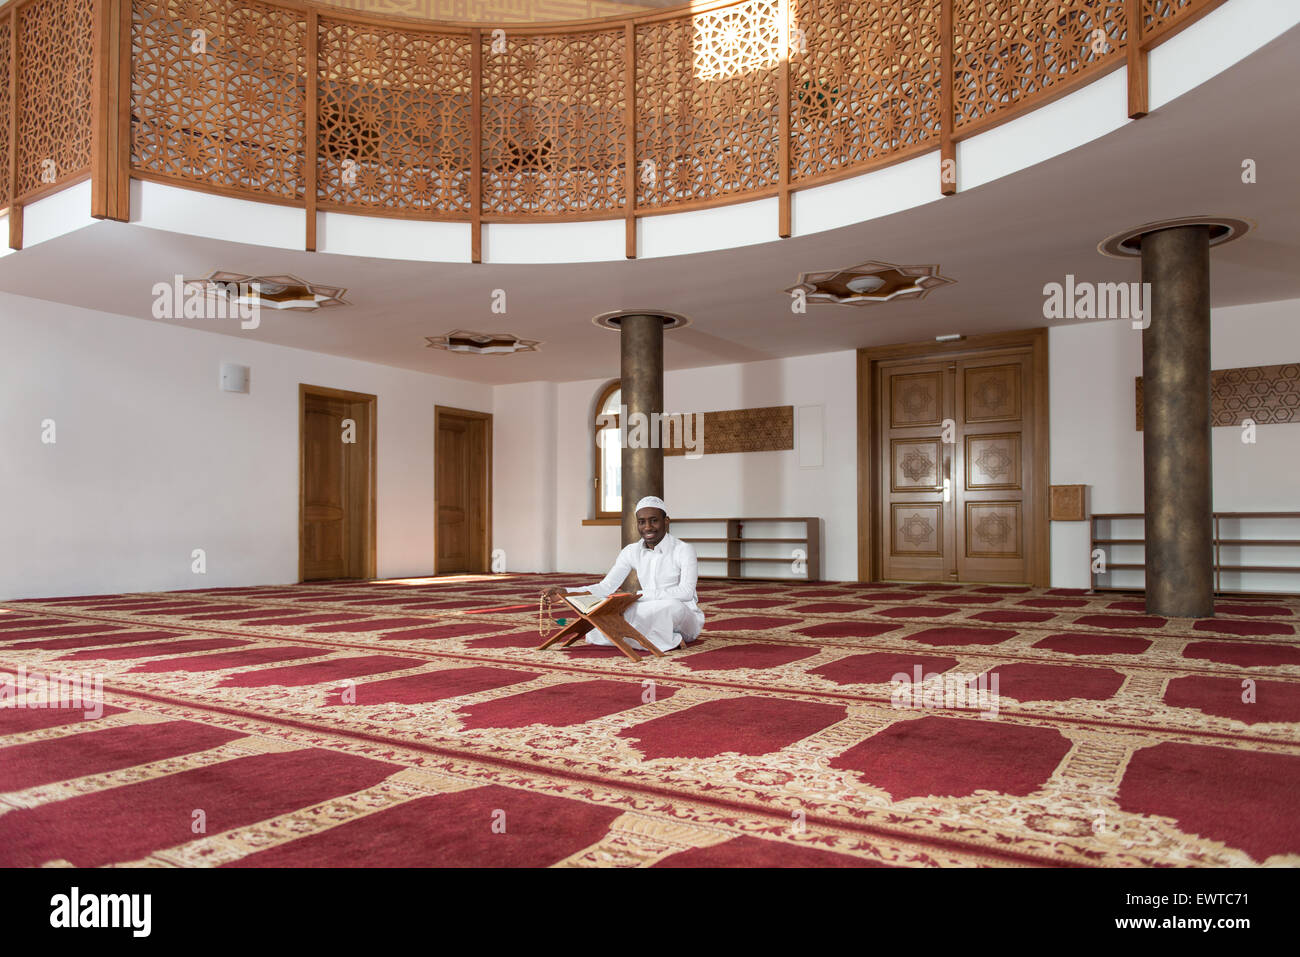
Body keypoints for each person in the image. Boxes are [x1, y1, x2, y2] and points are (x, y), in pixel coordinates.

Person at [542, 496, 705, 652]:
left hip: (684, 615)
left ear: (666, 521)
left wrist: (641, 595)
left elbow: (686, 592)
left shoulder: (684, 550)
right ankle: (657, 639)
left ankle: (660, 638)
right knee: (604, 613)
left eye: (653, 520)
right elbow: (606, 587)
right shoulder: (631, 551)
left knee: (669, 606)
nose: (647, 527)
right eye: (642, 522)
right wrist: (566, 592)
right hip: (648, 608)